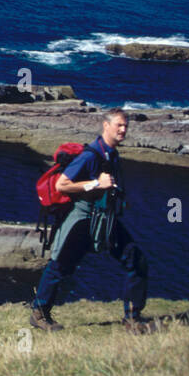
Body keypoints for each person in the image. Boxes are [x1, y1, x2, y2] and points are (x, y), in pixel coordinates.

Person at [29, 108, 155, 334]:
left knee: (136, 260)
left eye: (126, 126)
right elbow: (62, 185)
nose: (124, 129)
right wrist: (96, 184)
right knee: (59, 267)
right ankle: (39, 314)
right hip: (82, 220)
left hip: (106, 220)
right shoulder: (89, 155)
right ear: (105, 125)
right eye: (119, 125)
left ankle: (132, 320)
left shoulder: (112, 154)